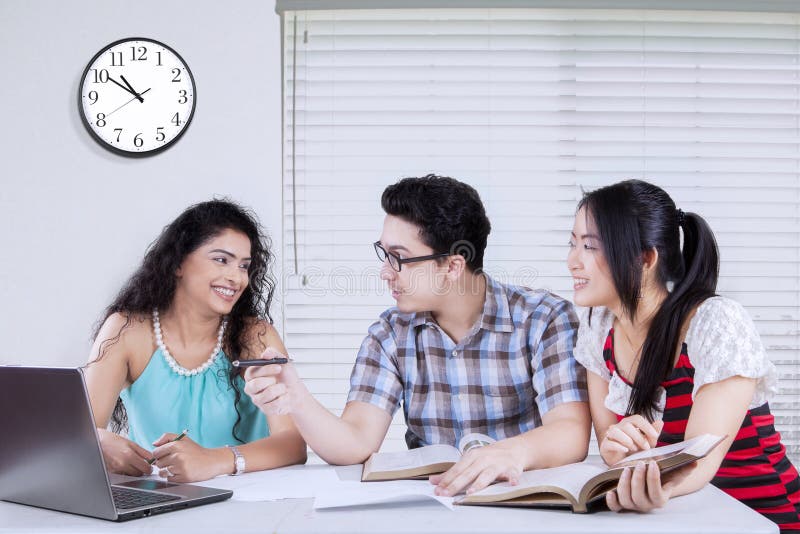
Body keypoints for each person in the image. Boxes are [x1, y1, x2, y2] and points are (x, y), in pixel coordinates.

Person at [244, 174, 590, 496]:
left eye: (399, 258)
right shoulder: (389, 334)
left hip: (521, 500)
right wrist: (296, 397)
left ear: (453, 266)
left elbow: (570, 431)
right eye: (384, 254)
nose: (384, 272)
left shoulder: (543, 318)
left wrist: (508, 454)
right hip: (433, 505)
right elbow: (355, 443)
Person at [567, 179, 800, 529]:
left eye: (589, 246)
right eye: (572, 244)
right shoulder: (597, 328)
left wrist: (656, 485)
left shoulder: (716, 323)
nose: (572, 261)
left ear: (645, 259)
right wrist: (619, 455)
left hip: (764, 516)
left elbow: (699, 460)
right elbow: (611, 447)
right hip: (680, 518)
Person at [85, 200, 306, 482]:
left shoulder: (255, 336)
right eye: (221, 260)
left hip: (247, 502)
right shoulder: (126, 331)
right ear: (178, 262)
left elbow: (293, 444)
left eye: (243, 266)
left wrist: (214, 461)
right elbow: (80, 433)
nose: (236, 277)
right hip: (158, 504)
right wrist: (97, 440)